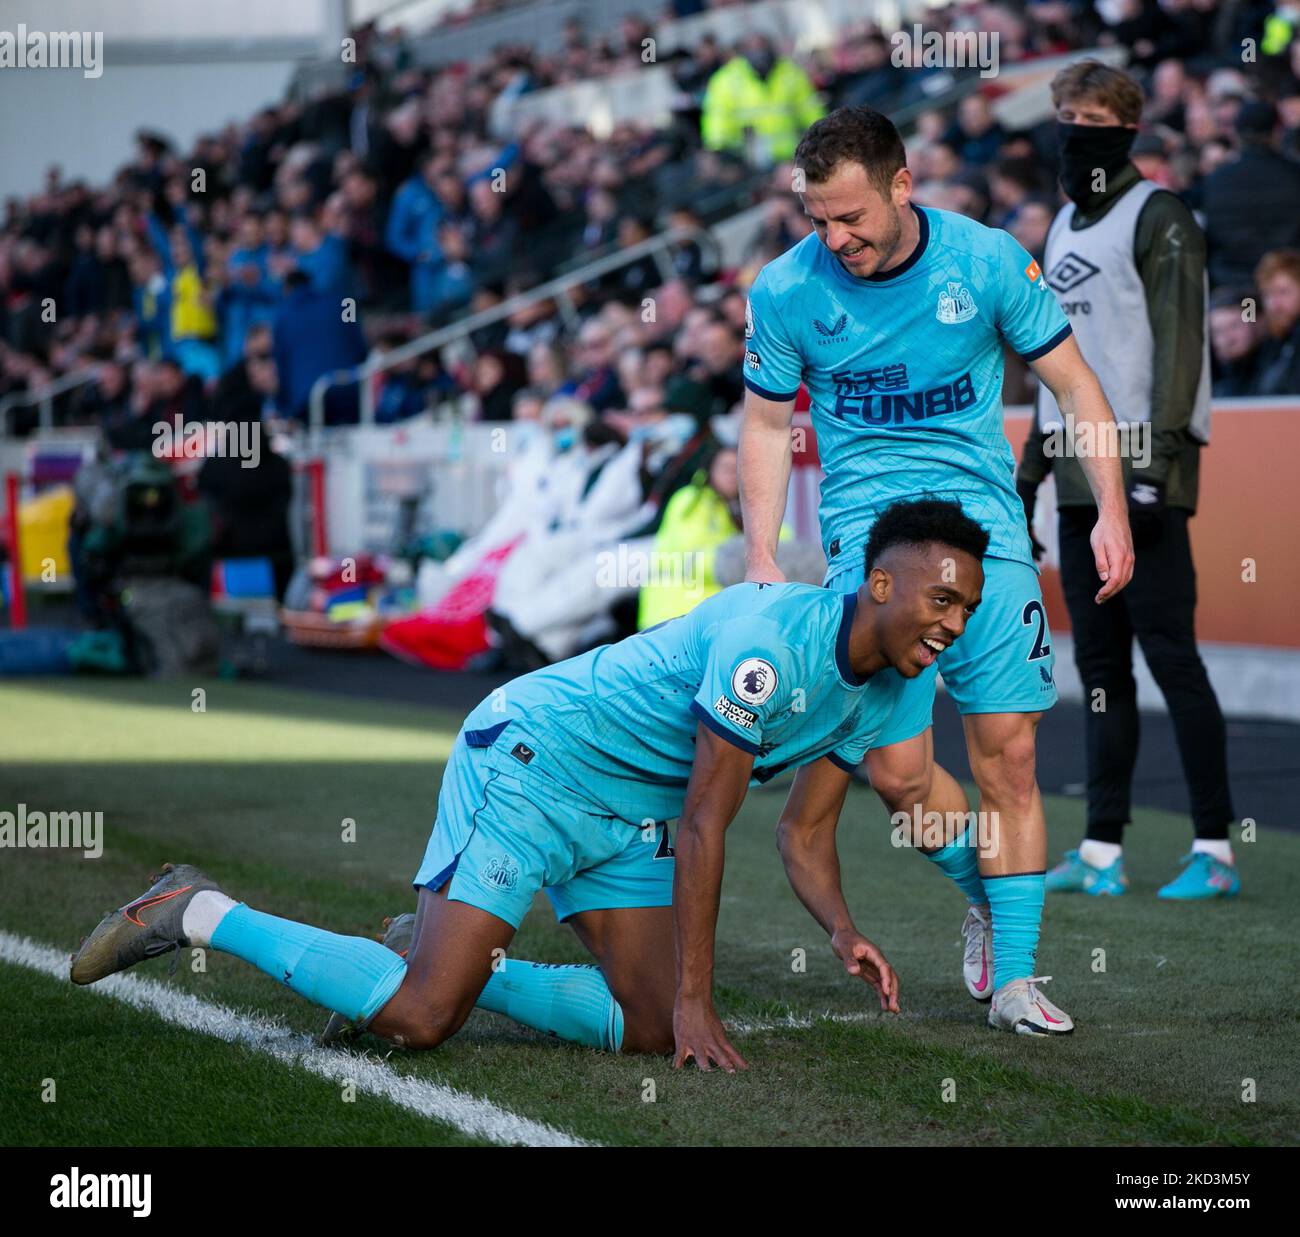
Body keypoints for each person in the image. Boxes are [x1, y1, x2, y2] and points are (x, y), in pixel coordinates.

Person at [70, 500, 1019, 1069]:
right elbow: (705, 824)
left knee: (645, 1029)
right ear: (882, 586)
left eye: (967, 608)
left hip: (626, 815)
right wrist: (702, 996)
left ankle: (426, 945)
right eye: (942, 598)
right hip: (532, 763)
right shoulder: (771, 644)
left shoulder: (895, 685)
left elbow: (806, 836)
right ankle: (192, 907)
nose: (954, 621)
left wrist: (844, 931)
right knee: (418, 1018)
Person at [739, 106, 1133, 1035]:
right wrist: (760, 554)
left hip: (987, 537)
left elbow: (1074, 382)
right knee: (897, 772)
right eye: (817, 220)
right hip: (870, 553)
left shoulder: (989, 260)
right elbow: (764, 424)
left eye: (851, 218)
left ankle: (1018, 981)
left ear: (901, 186)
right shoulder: (788, 289)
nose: (835, 239)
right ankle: (986, 890)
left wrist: (1110, 508)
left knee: (1013, 754)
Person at [1020, 60, 1238, 901]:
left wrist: (1154, 467)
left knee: (1174, 661)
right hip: (1078, 483)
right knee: (1102, 674)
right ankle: (1103, 850)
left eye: (1091, 114)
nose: (1074, 127)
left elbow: (1181, 348)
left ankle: (1216, 847)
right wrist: (1034, 466)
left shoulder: (1161, 215)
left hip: (1144, 479)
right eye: (1065, 112)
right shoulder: (1063, 225)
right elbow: (1056, 363)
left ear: (1127, 124)